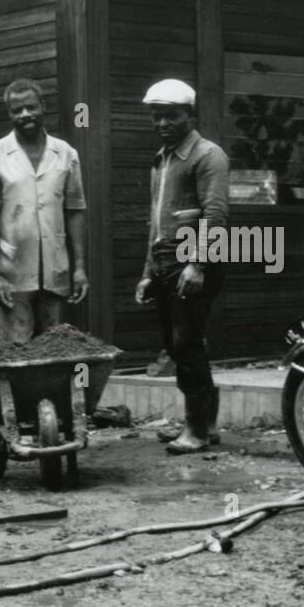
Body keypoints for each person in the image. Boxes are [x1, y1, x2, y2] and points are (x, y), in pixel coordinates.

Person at [135, 79, 230, 453]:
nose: (162, 123)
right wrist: (147, 273)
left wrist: (198, 264)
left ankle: (196, 431)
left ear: (190, 115)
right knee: (177, 347)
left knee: (186, 343)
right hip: (164, 260)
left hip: (193, 257)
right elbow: (155, 223)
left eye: (171, 116)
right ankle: (205, 421)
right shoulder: (162, 159)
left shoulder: (208, 155)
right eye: (156, 116)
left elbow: (216, 214)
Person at [0, 78, 89, 343]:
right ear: (10, 114)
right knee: (13, 354)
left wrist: (80, 268)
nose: (25, 114)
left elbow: (75, 210)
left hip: (54, 268)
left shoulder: (66, 154)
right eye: (17, 110)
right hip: (11, 272)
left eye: (30, 107)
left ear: (43, 106)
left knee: (52, 349)